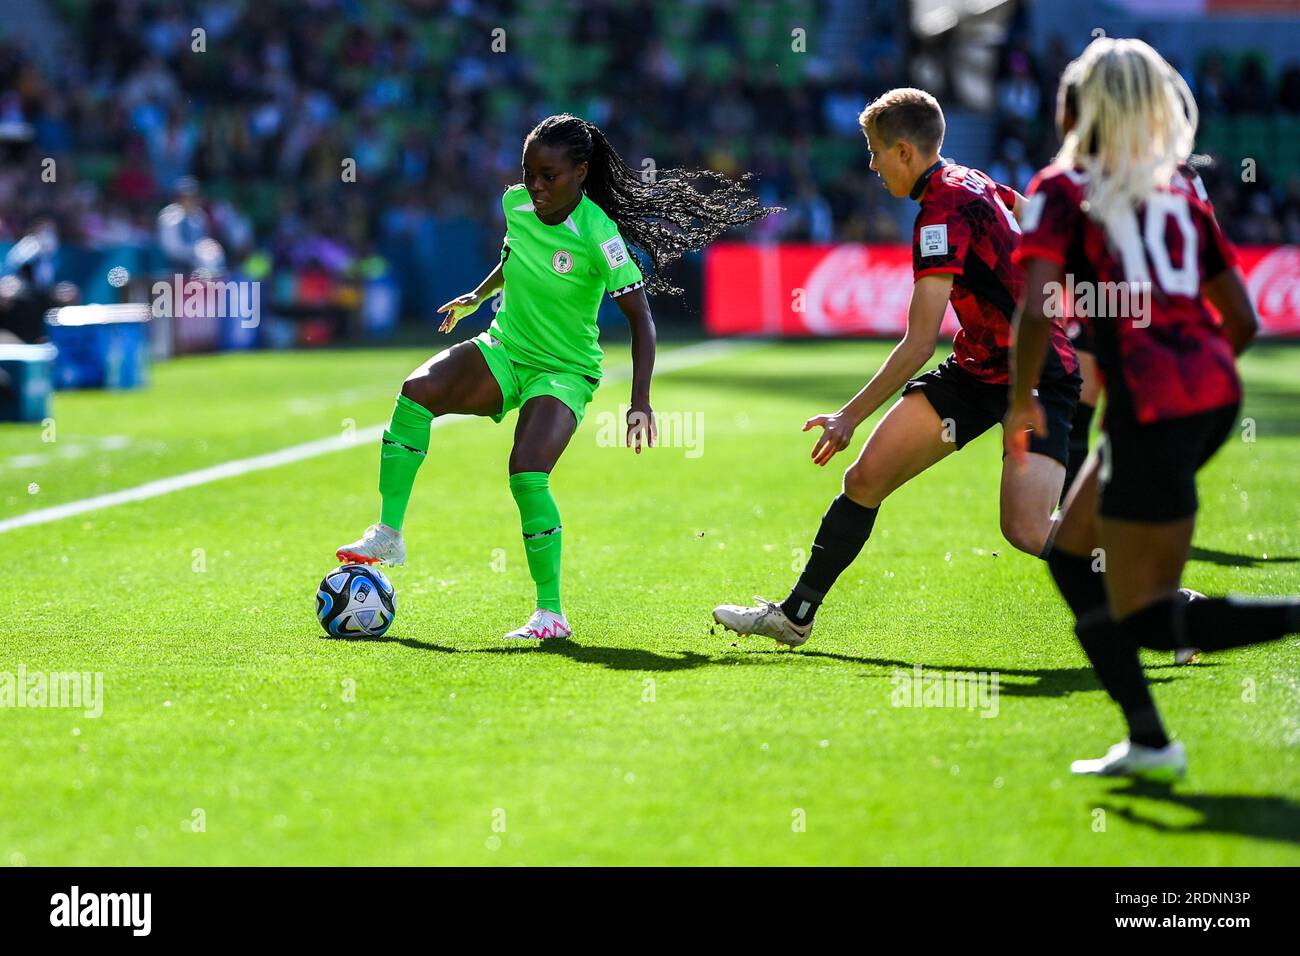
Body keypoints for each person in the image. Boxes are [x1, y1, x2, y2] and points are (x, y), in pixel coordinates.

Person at [337, 113, 777, 641]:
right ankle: (388, 534)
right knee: (416, 393)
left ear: (581, 174)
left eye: (550, 176)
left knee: (526, 470)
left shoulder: (599, 234)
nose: (537, 187)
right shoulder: (515, 203)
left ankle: (551, 614)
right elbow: (513, 255)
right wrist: (476, 298)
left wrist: (640, 400)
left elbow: (642, 320)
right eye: (529, 174)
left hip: (565, 370)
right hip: (506, 347)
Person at [1004, 37, 1300, 779]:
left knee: (1144, 614)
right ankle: (1147, 741)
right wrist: (1187, 385)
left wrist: (1019, 404)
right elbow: (1243, 321)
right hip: (1201, 393)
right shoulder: (1178, 189)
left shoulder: (1063, 186)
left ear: (1079, 106)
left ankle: (1154, 743)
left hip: (1151, 406)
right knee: (1072, 561)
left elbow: (1038, 308)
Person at [713, 87, 1079, 647]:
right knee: (864, 479)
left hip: (1036, 376)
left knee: (1026, 528)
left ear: (905, 152)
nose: (871, 163)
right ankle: (796, 615)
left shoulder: (941, 212)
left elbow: (917, 344)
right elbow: (1031, 218)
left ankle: (1159, 601)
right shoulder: (969, 179)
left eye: (875, 150)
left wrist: (847, 416)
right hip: (980, 371)